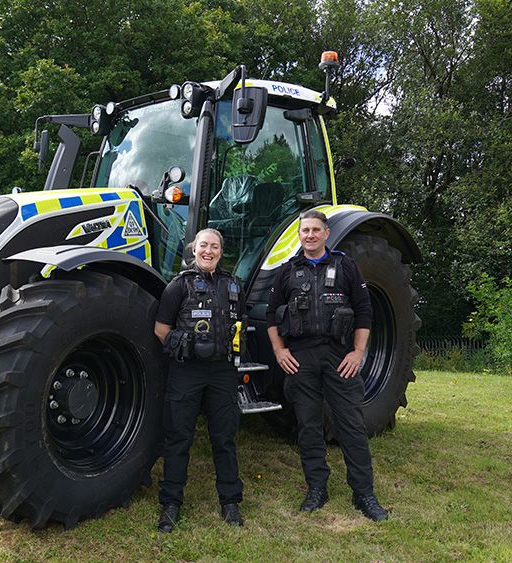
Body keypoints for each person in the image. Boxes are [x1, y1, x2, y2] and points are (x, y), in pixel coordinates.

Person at [265, 210, 389, 522]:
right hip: (302, 357)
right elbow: (270, 316)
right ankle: (316, 488)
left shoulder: (346, 266)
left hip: (339, 356)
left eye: (315, 230)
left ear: (326, 233)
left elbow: (363, 311)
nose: (309, 235)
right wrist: (280, 351)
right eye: (304, 230)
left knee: (351, 425)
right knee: (308, 426)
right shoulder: (287, 272)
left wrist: (358, 352)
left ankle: (364, 494)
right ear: (299, 235)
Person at [154, 228, 245, 532]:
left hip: (222, 372)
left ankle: (230, 502)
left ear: (221, 251)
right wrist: (183, 342)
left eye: (215, 246)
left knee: (224, 437)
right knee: (178, 437)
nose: (209, 251)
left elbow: (238, 324)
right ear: (194, 249)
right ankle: (170, 504)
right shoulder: (177, 287)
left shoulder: (233, 285)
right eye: (204, 246)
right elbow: (161, 329)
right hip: (187, 371)